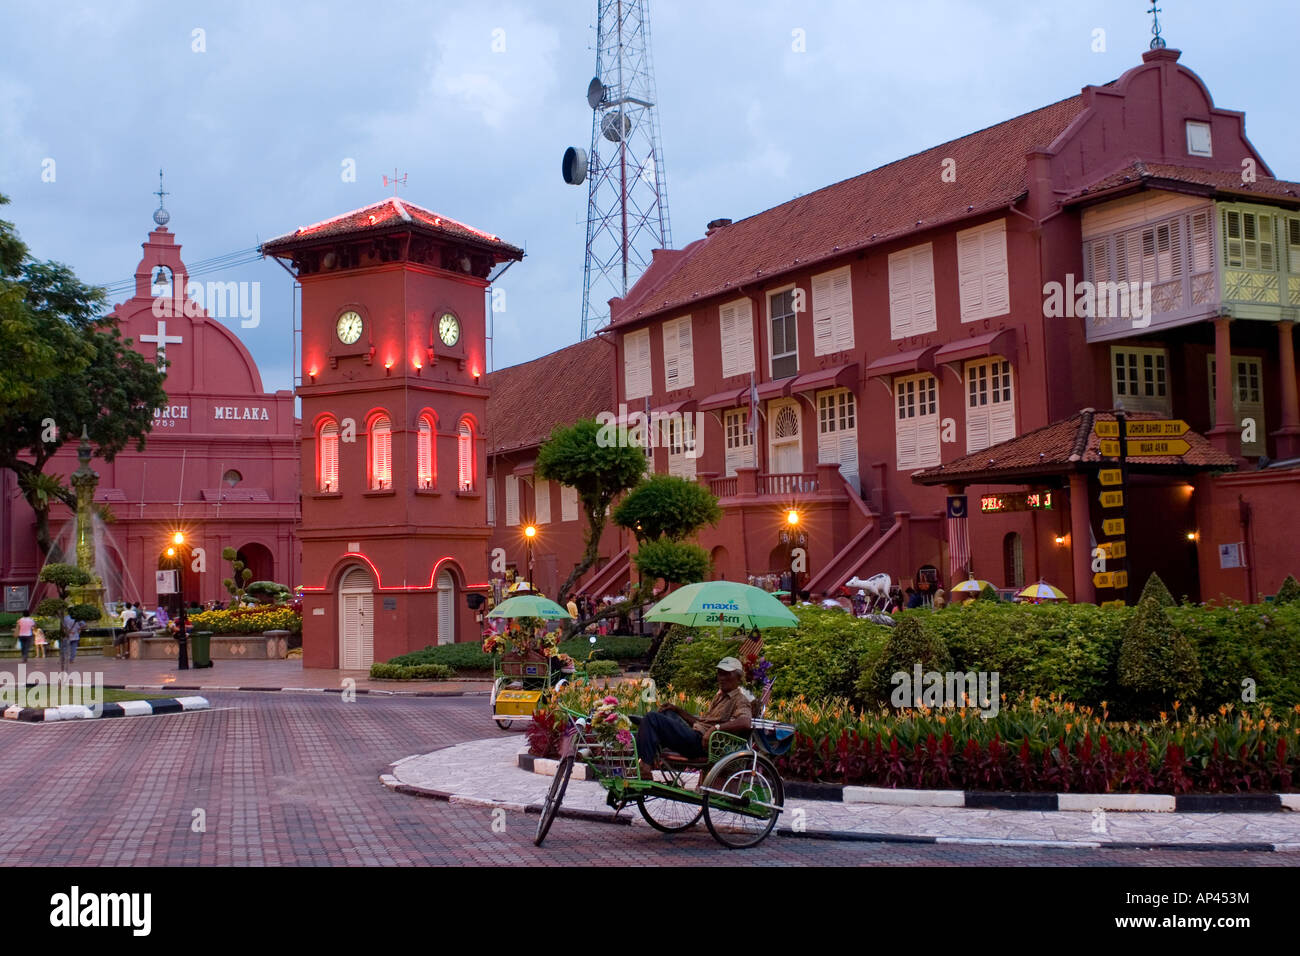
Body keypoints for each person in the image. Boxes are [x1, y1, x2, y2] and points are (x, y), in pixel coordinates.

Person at [634, 656, 752, 778]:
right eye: (720, 674)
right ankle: (649, 741)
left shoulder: (740, 700)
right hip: (695, 735)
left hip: (703, 744)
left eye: (727, 674)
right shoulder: (720, 697)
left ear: (738, 678)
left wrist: (715, 728)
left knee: (652, 718)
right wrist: (677, 710)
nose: (722, 678)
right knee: (667, 713)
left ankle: (645, 768)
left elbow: (745, 722)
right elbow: (700, 723)